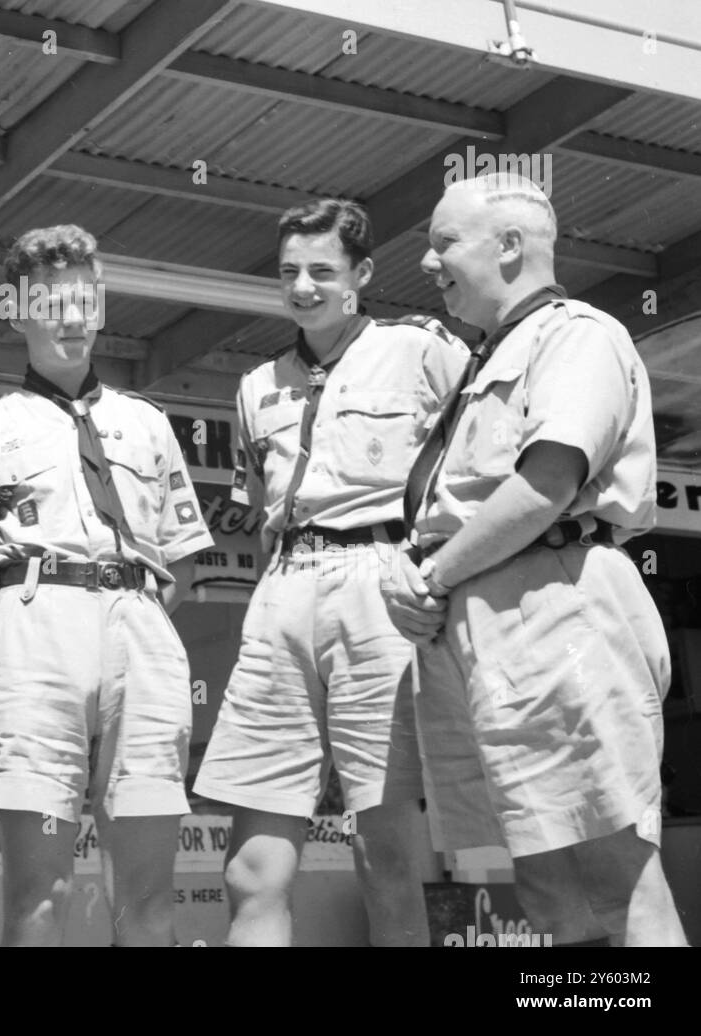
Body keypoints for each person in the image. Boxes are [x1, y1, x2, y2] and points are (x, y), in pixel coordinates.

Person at [384, 173, 687, 946]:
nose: (427, 262)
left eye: (445, 241)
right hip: (477, 625)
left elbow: (547, 483)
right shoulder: (486, 358)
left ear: (511, 245)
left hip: (556, 606)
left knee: (612, 875)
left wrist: (433, 574)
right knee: (551, 888)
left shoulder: (576, 331)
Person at [194, 198, 468, 946]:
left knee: (383, 851)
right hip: (283, 586)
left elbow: (475, 470)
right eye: (289, 272)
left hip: (378, 577)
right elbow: (261, 509)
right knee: (250, 865)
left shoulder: (423, 352)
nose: (304, 286)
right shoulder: (256, 386)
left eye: (322, 270)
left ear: (362, 274)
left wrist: (432, 576)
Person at [0, 225, 212, 946]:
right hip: (34, 629)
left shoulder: (149, 424)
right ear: (17, 310)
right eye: (51, 301)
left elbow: (182, 561)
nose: (71, 317)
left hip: (139, 628)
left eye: (86, 300)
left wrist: (125, 619)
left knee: (148, 899)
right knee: (41, 893)